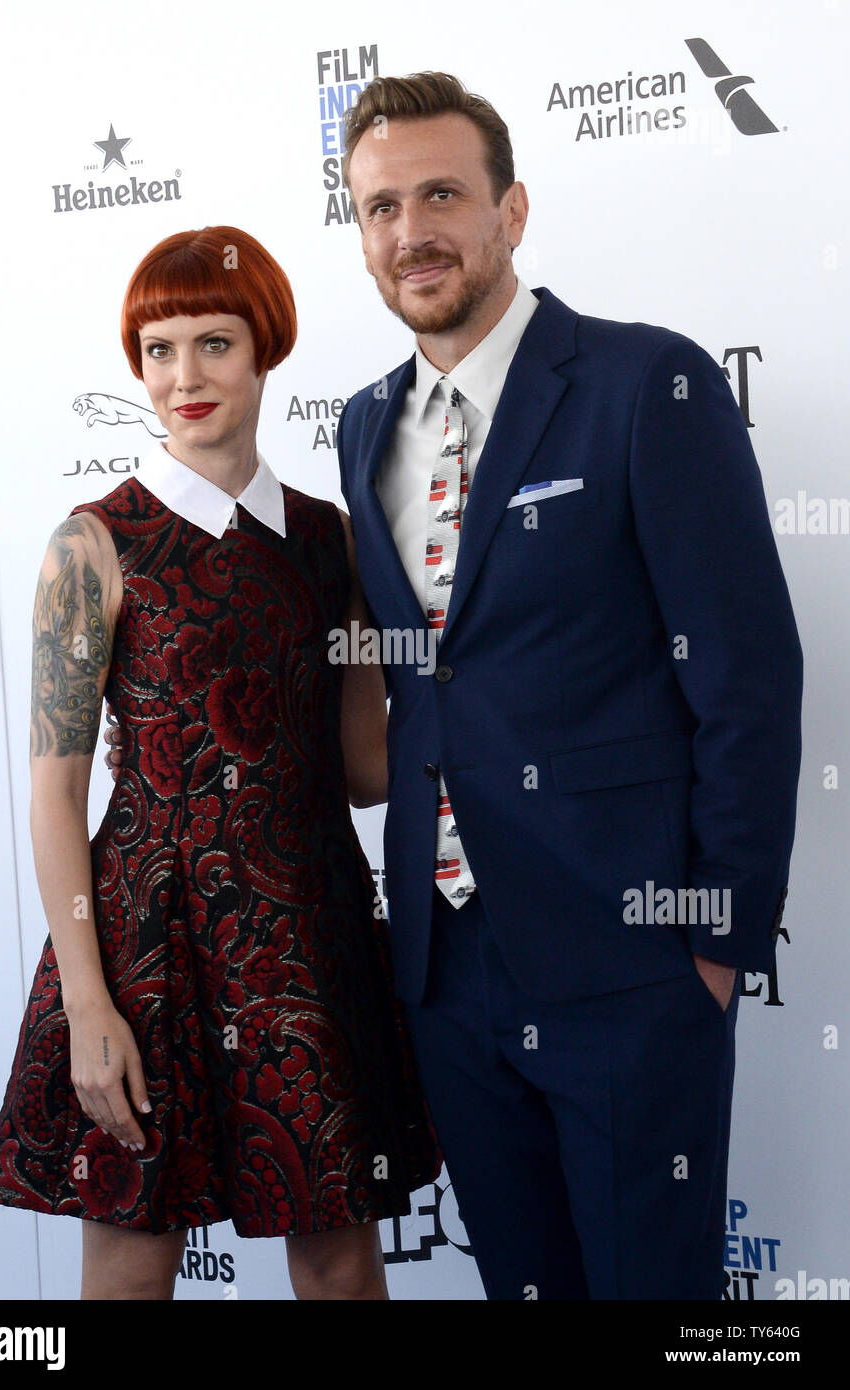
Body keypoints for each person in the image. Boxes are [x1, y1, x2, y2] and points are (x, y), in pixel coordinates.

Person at [333, 72, 802, 1300]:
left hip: (629, 958)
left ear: (512, 210)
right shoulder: (364, 425)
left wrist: (717, 936)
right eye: (380, 206)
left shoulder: (648, 386)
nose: (411, 231)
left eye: (442, 194)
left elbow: (748, 678)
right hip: (446, 963)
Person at [0, 225, 440, 1301]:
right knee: (130, 1266)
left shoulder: (332, 543)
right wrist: (88, 1003)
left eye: (214, 342)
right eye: (158, 348)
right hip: (145, 943)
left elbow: (364, 768)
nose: (184, 376)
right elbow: (54, 794)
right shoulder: (95, 545)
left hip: (307, 933)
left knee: (339, 1264)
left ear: (265, 348)